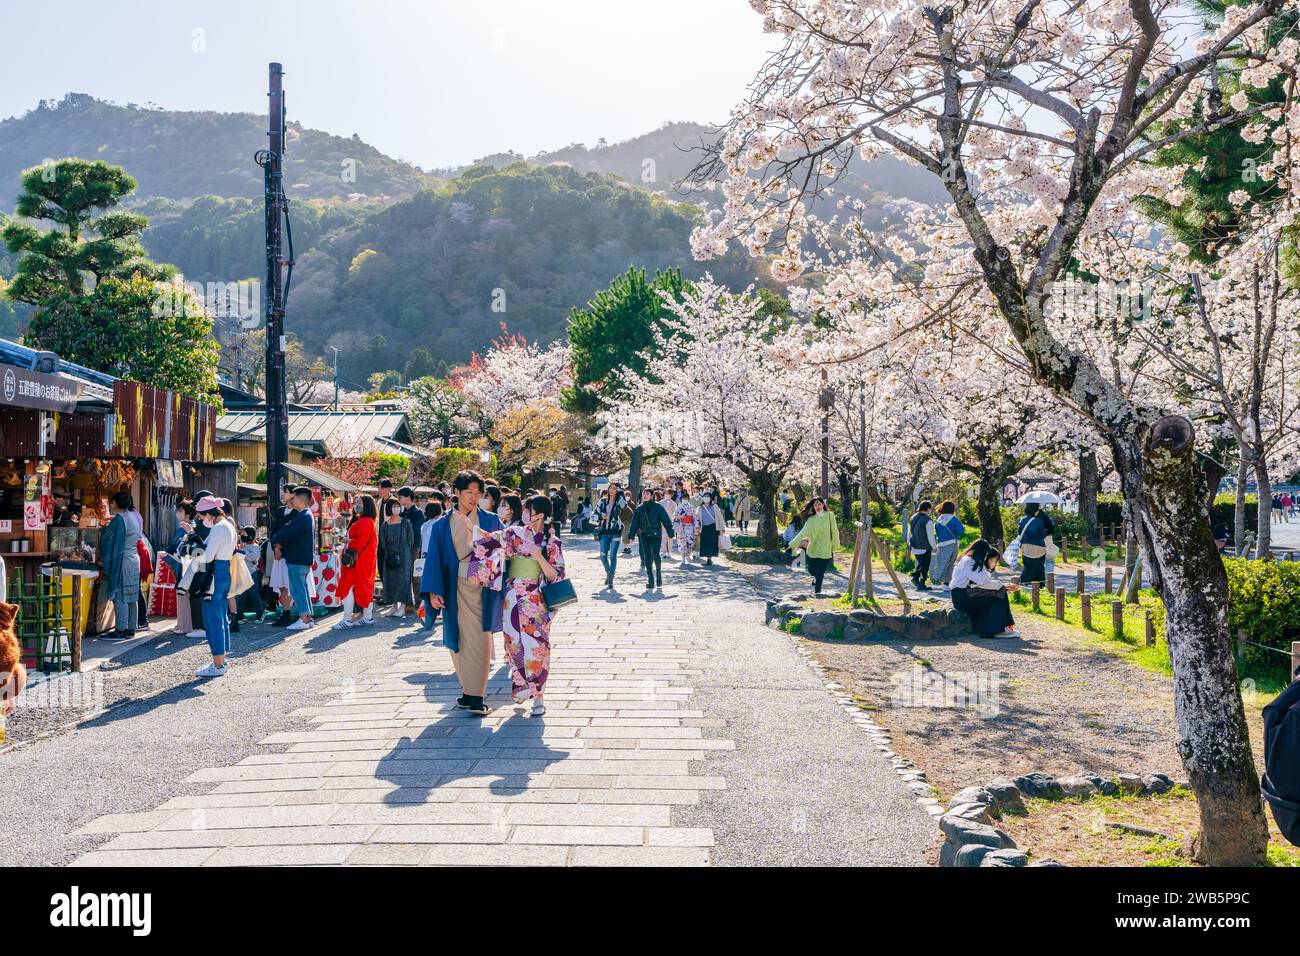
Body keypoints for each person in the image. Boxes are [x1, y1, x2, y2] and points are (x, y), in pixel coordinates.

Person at [420, 470, 504, 716]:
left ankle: (476, 697)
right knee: (456, 640)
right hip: (452, 587)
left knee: (479, 638)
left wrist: (476, 542)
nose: (474, 497)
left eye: (478, 493)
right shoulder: (441, 525)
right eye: (469, 492)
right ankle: (468, 693)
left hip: (480, 587)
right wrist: (433, 590)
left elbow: (500, 552)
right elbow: (434, 558)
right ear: (456, 493)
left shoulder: (490, 520)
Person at [500, 494, 566, 716]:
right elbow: (493, 545)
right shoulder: (514, 534)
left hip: (537, 602)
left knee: (538, 648)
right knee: (513, 644)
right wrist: (472, 530)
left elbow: (555, 576)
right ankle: (520, 687)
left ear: (542, 515)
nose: (526, 515)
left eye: (530, 511)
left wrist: (538, 556)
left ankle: (539, 696)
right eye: (525, 511)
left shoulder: (552, 542)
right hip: (513, 599)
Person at [194, 495, 238, 676]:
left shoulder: (219, 528)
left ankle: (218, 663)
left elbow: (207, 556)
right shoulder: (229, 525)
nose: (203, 520)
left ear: (209, 514)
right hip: (223, 570)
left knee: (212, 618)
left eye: (203, 516)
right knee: (220, 615)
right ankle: (221, 660)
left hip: (213, 573)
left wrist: (193, 552)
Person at [950, 539, 1021, 639]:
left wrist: (1003, 586)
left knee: (999, 592)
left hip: (961, 596)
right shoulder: (968, 561)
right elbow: (983, 579)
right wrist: (1003, 586)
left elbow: (981, 582)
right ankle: (995, 630)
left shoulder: (965, 559)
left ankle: (1000, 627)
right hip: (963, 598)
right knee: (999, 596)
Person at [271, 486, 316, 631]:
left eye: (294, 497)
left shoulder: (303, 516)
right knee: (302, 589)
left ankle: (303, 619)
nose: (292, 499)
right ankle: (308, 618)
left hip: (297, 558)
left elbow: (287, 532)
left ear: (301, 500)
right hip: (302, 558)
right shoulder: (306, 515)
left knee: (298, 590)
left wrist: (275, 539)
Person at [100, 492, 142, 641]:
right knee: (131, 595)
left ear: (116, 504)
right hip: (133, 558)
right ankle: (131, 628)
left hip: (122, 560)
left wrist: (102, 527)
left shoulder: (119, 520)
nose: (112, 505)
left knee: (121, 596)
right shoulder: (134, 516)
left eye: (113, 502)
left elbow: (108, 540)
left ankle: (120, 629)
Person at [334, 494, 378, 630]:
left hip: (358, 560)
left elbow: (359, 543)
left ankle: (348, 619)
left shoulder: (364, 521)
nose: (356, 505)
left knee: (348, 587)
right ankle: (366, 616)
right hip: (362, 559)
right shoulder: (368, 521)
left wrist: (347, 540)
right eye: (356, 502)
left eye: (359, 502)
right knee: (364, 587)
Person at [629, 487, 674, 589]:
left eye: (647, 494)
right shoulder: (639, 508)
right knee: (647, 556)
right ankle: (650, 580)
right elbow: (634, 523)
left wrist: (670, 533)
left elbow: (666, 520)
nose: (645, 495)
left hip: (656, 534)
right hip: (644, 535)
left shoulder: (658, 507)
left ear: (652, 496)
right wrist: (631, 536)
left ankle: (658, 574)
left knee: (655, 554)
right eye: (644, 493)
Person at [378, 498, 415, 619]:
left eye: (397, 506)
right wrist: (389, 552)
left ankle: (403, 606)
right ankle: (394, 605)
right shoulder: (385, 525)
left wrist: (405, 552)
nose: (396, 508)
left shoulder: (406, 522)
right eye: (393, 506)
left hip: (404, 555)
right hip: (390, 555)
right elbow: (382, 542)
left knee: (404, 580)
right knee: (390, 580)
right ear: (389, 508)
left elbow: (411, 540)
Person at [266, 485, 296, 626]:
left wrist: (281, 548)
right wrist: (276, 547)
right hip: (278, 554)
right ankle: (286, 613)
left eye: (285, 492)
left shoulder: (297, 512)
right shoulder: (280, 510)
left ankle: (298, 613)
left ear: (293, 494)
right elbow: (273, 531)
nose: (282, 494)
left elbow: (292, 534)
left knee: (292, 585)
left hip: (290, 553)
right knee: (282, 585)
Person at [799, 497, 839, 595]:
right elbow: (805, 532)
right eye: (815, 504)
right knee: (811, 569)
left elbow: (834, 531)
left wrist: (834, 545)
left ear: (823, 505)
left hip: (826, 548)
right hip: (812, 548)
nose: (817, 506)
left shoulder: (830, 515)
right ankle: (815, 577)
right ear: (813, 507)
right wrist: (796, 543)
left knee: (820, 572)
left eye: (819, 504)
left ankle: (818, 591)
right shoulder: (811, 519)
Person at [594, 484, 628, 590]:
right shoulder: (602, 501)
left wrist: (620, 491)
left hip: (616, 532)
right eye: (610, 488)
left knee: (613, 556)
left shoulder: (620, 502)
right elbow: (594, 515)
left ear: (617, 491)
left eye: (614, 489)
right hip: (604, 532)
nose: (612, 490)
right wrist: (600, 516)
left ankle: (611, 578)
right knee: (603, 556)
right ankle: (609, 573)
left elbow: (625, 507)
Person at [398, 486, 424, 614]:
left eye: (400, 497)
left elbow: (415, 530)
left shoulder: (418, 513)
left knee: (415, 576)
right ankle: (408, 604)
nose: (399, 499)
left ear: (408, 498)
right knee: (404, 576)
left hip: (414, 547)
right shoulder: (402, 513)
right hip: (403, 547)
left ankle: (418, 604)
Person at [930, 500, 965, 586]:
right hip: (952, 544)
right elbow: (961, 531)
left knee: (941, 563)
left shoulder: (939, 519)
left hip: (941, 544)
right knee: (951, 565)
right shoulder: (953, 519)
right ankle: (946, 583)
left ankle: (936, 578)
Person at [1016, 503, 1054, 585]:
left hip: (1025, 547)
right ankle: (1040, 585)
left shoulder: (1022, 520)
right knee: (1039, 567)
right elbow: (1043, 535)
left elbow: (1019, 533)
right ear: (1035, 510)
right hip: (1039, 547)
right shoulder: (1039, 521)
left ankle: (1024, 583)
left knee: (1027, 566)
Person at [236, 526, 264, 623]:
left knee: (254, 594)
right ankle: (239, 616)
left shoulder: (255, 546)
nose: (242, 535)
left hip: (251, 573)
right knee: (241, 595)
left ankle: (260, 613)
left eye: (244, 533)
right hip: (241, 573)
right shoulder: (240, 545)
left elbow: (252, 558)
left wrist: (243, 550)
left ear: (251, 535)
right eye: (241, 533)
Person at [908, 500, 938, 590]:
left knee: (921, 564)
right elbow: (930, 535)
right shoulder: (927, 520)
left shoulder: (913, 517)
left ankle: (916, 578)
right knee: (925, 566)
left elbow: (910, 532)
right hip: (924, 547)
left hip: (914, 545)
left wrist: (909, 542)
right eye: (930, 509)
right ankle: (921, 583)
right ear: (928, 509)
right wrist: (934, 547)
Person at [697, 492, 725, 566]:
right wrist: (697, 527)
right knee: (705, 543)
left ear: (710, 498)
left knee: (712, 543)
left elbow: (720, 517)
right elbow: (697, 518)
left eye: (708, 496)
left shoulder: (715, 506)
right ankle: (707, 557)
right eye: (705, 496)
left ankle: (709, 558)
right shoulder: (700, 507)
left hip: (713, 527)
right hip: (704, 528)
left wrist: (722, 528)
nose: (706, 498)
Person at [674, 495, 698, 566]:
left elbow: (695, 517)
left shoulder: (692, 507)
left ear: (688, 499)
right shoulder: (678, 507)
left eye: (686, 498)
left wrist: (696, 527)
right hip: (681, 527)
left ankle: (687, 554)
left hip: (690, 527)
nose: (685, 499)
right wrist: (680, 517)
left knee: (690, 542)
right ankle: (683, 558)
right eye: (683, 498)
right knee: (681, 543)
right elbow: (674, 517)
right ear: (681, 499)